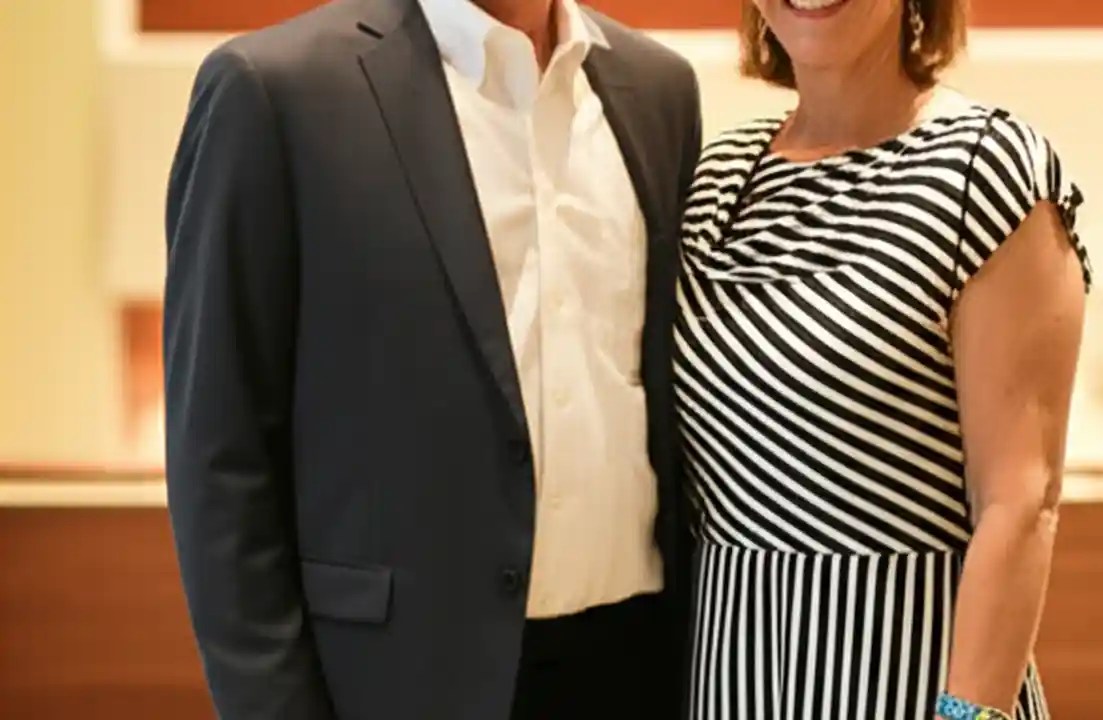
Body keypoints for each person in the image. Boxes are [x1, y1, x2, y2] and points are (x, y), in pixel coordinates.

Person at [162, 0, 701, 717]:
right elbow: (218, 454)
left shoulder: (659, 89)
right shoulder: (272, 90)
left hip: (634, 663)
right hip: (398, 678)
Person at [676, 0, 1091, 718]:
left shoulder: (983, 170)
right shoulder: (718, 176)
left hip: (913, 683)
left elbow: (1019, 504)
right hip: (729, 677)